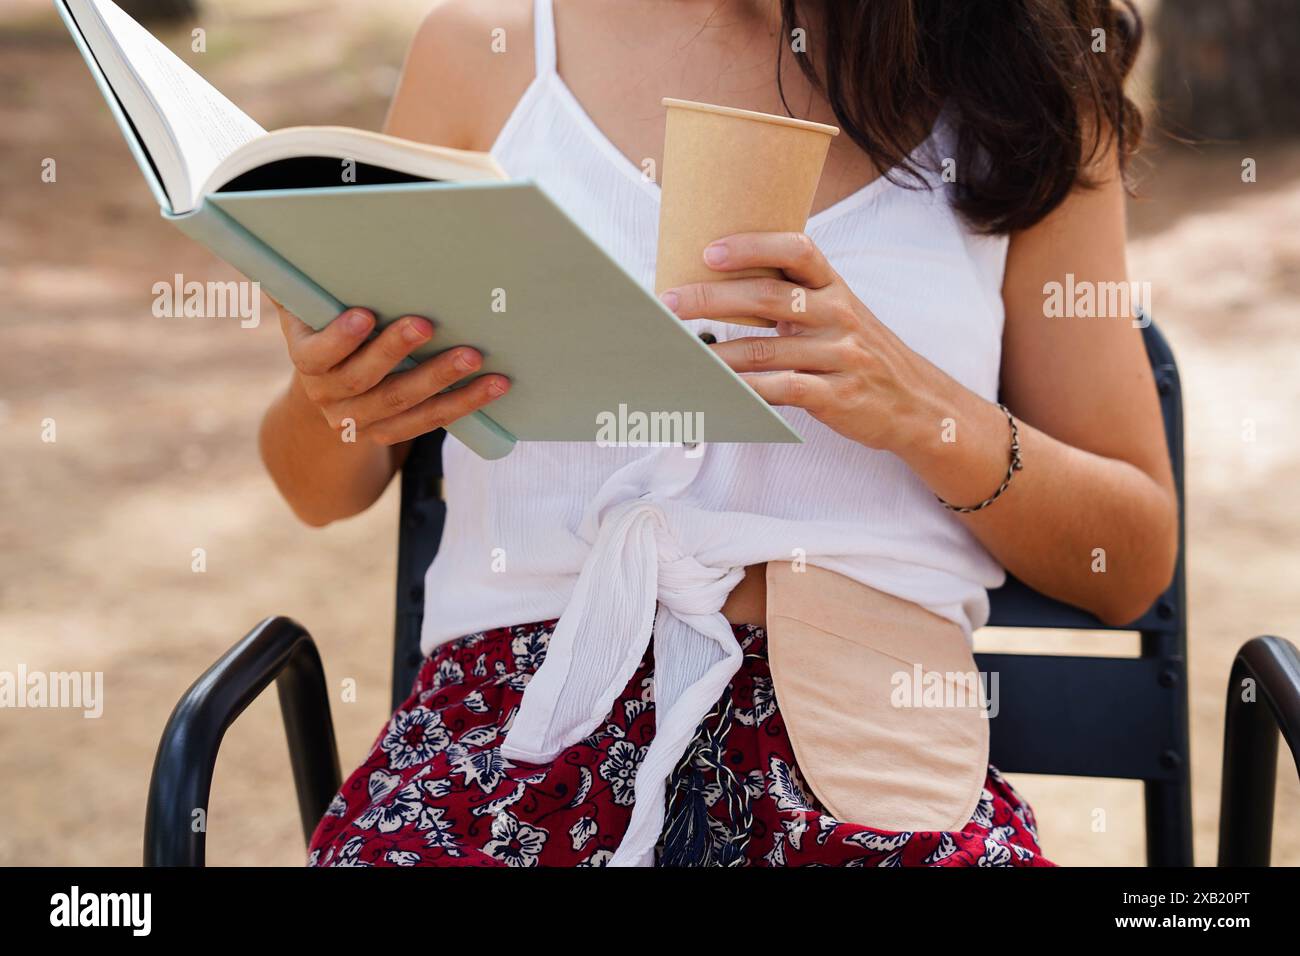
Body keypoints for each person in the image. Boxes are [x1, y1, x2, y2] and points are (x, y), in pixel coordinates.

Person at [260, 0, 1174, 867]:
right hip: (511, 725)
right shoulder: (488, 49)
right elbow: (315, 488)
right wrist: (336, 395)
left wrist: (925, 411)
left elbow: (1128, 559)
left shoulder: (1023, 95)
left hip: (874, 745)